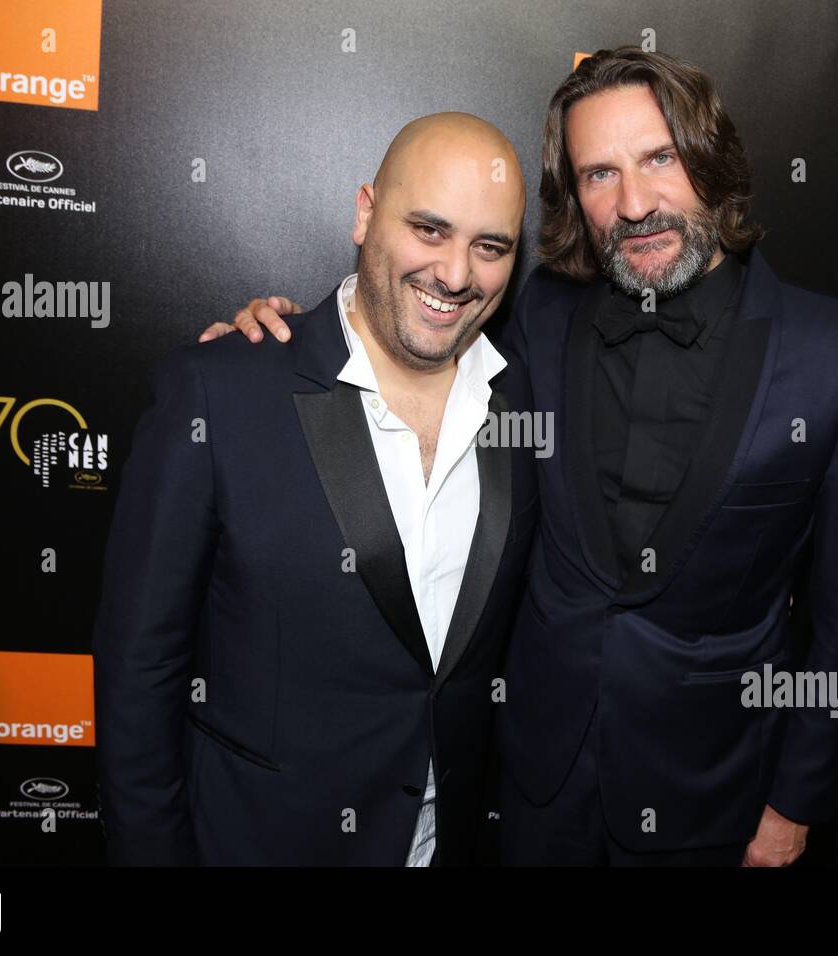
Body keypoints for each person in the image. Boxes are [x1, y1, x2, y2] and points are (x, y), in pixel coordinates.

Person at [202, 47, 838, 866]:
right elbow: (405, 330)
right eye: (599, 174)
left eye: (659, 159)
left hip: (715, 796)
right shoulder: (540, 318)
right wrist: (269, 344)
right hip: (530, 784)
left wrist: (795, 805)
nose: (635, 202)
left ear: (713, 160)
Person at [93, 112, 537, 865]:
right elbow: (139, 670)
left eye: (489, 247)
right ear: (365, 213)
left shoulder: (519, 404)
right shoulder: (220, 391)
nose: (456, 275)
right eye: (429, 230)